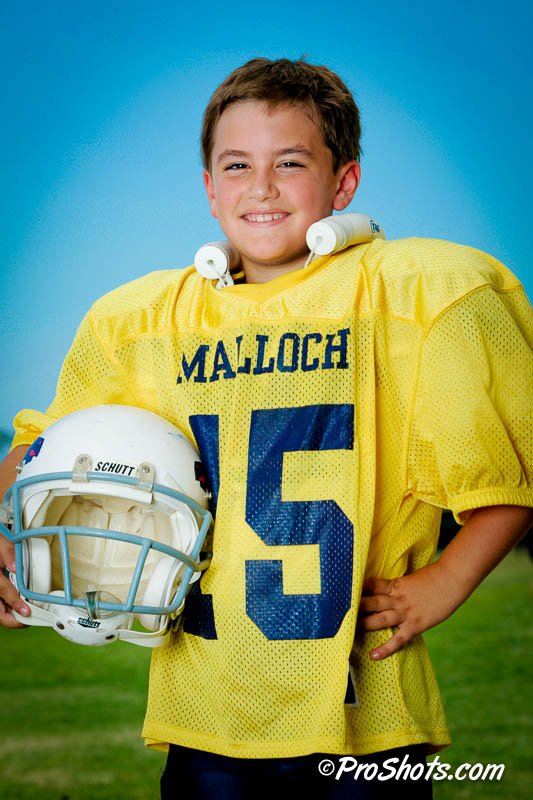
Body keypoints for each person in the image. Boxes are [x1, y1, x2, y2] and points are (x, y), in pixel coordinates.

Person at [0, 57, 532, 799]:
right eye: (236, 165)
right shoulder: (148, 321)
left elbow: (508, 475)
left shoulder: (411, 295)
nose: (260, 187)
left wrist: (443, 581)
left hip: (364, 712)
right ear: (209, 188)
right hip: (206, 708)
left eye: (289, 162)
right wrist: (9, 539)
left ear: (344, 181)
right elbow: (45, 445)